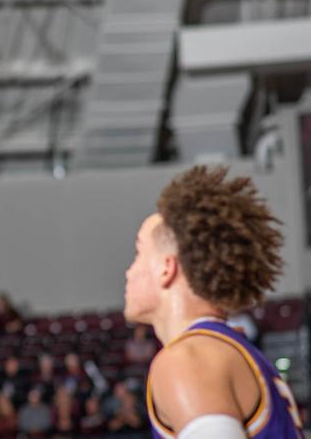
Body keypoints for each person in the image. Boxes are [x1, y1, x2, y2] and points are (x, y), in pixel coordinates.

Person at [125, 166, 301, 438]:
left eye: (138, 253)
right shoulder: (226, 349)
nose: (129, 271)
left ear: (166, 268)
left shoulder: (189, 359)